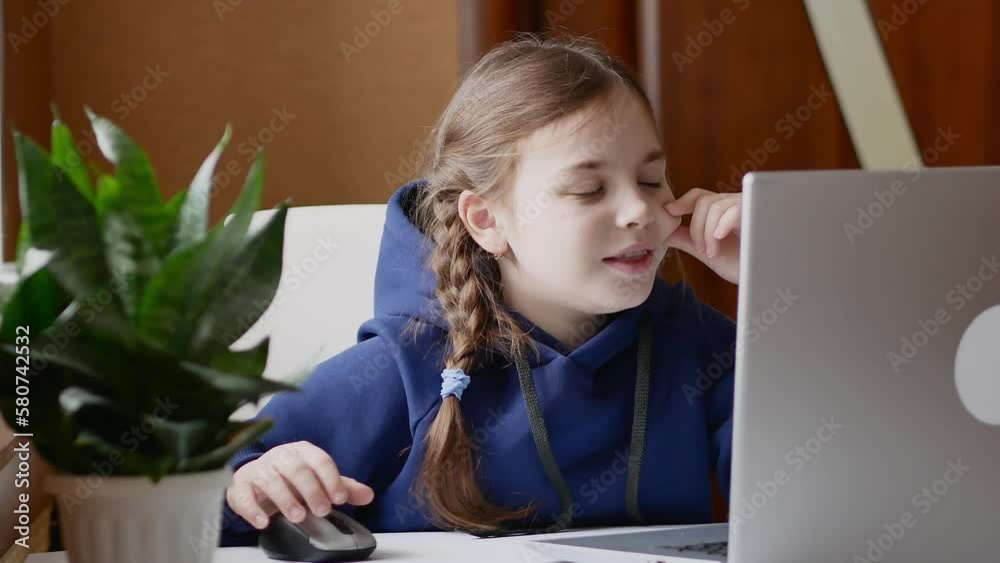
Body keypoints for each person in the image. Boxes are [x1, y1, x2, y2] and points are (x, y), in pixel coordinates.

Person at [220, 34, 743, 546]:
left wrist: (773, 281)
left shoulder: (698, 344)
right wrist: (251, 479)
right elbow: (207, 475)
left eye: (652, 180)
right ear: (487, 219)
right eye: (589, 189)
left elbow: (815, 484)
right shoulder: (404, 366)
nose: (640, 211)